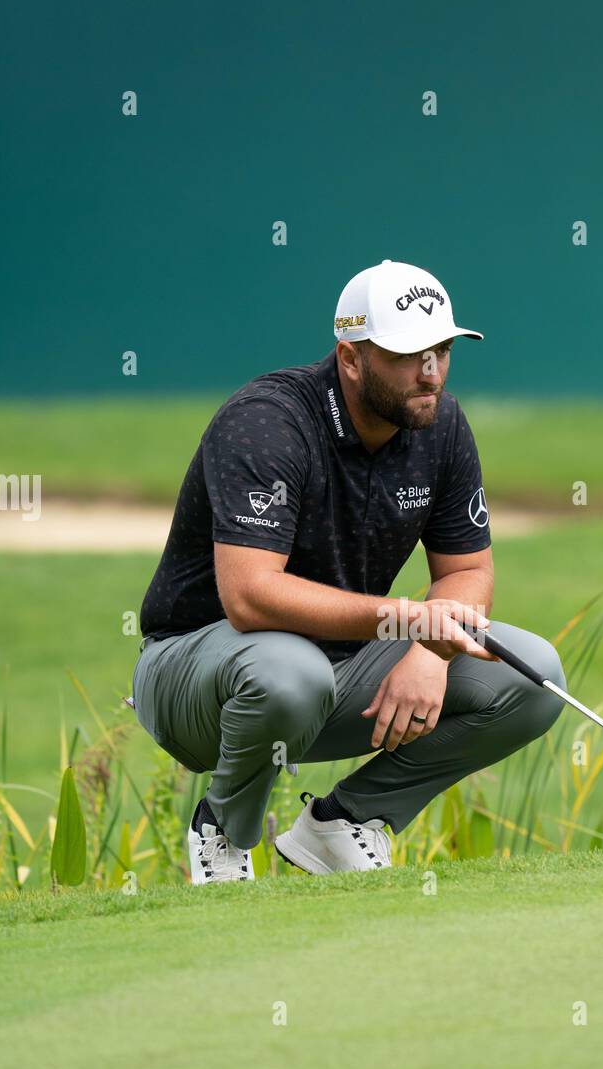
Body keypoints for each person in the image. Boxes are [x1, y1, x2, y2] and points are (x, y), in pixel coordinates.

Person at [132, 259, 566, 882]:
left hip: (335, 673)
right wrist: (409, 620)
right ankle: (223, 837)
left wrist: (430, 652)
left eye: (442, 349)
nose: (431, 372)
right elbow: (250, 598)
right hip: (197, 678)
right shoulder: (267, 423)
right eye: (408, 354)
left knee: (533, 676)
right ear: (351, 357)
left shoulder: (440, 427)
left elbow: (467, 569)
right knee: (290, 671)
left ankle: (346, 822)